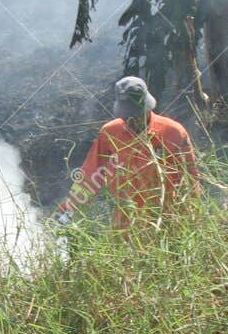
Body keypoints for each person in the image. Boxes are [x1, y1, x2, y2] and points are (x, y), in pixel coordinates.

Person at [56, 77, 200, 231]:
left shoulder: (173, 132)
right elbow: (90, 175)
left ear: (147, 107)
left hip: (168, 218)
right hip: (126, 220)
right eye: (127, 116)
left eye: (137, 114)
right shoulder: (110, 133)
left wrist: (191, 220)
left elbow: (190, 179)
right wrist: (67, 212)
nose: (132, 120)